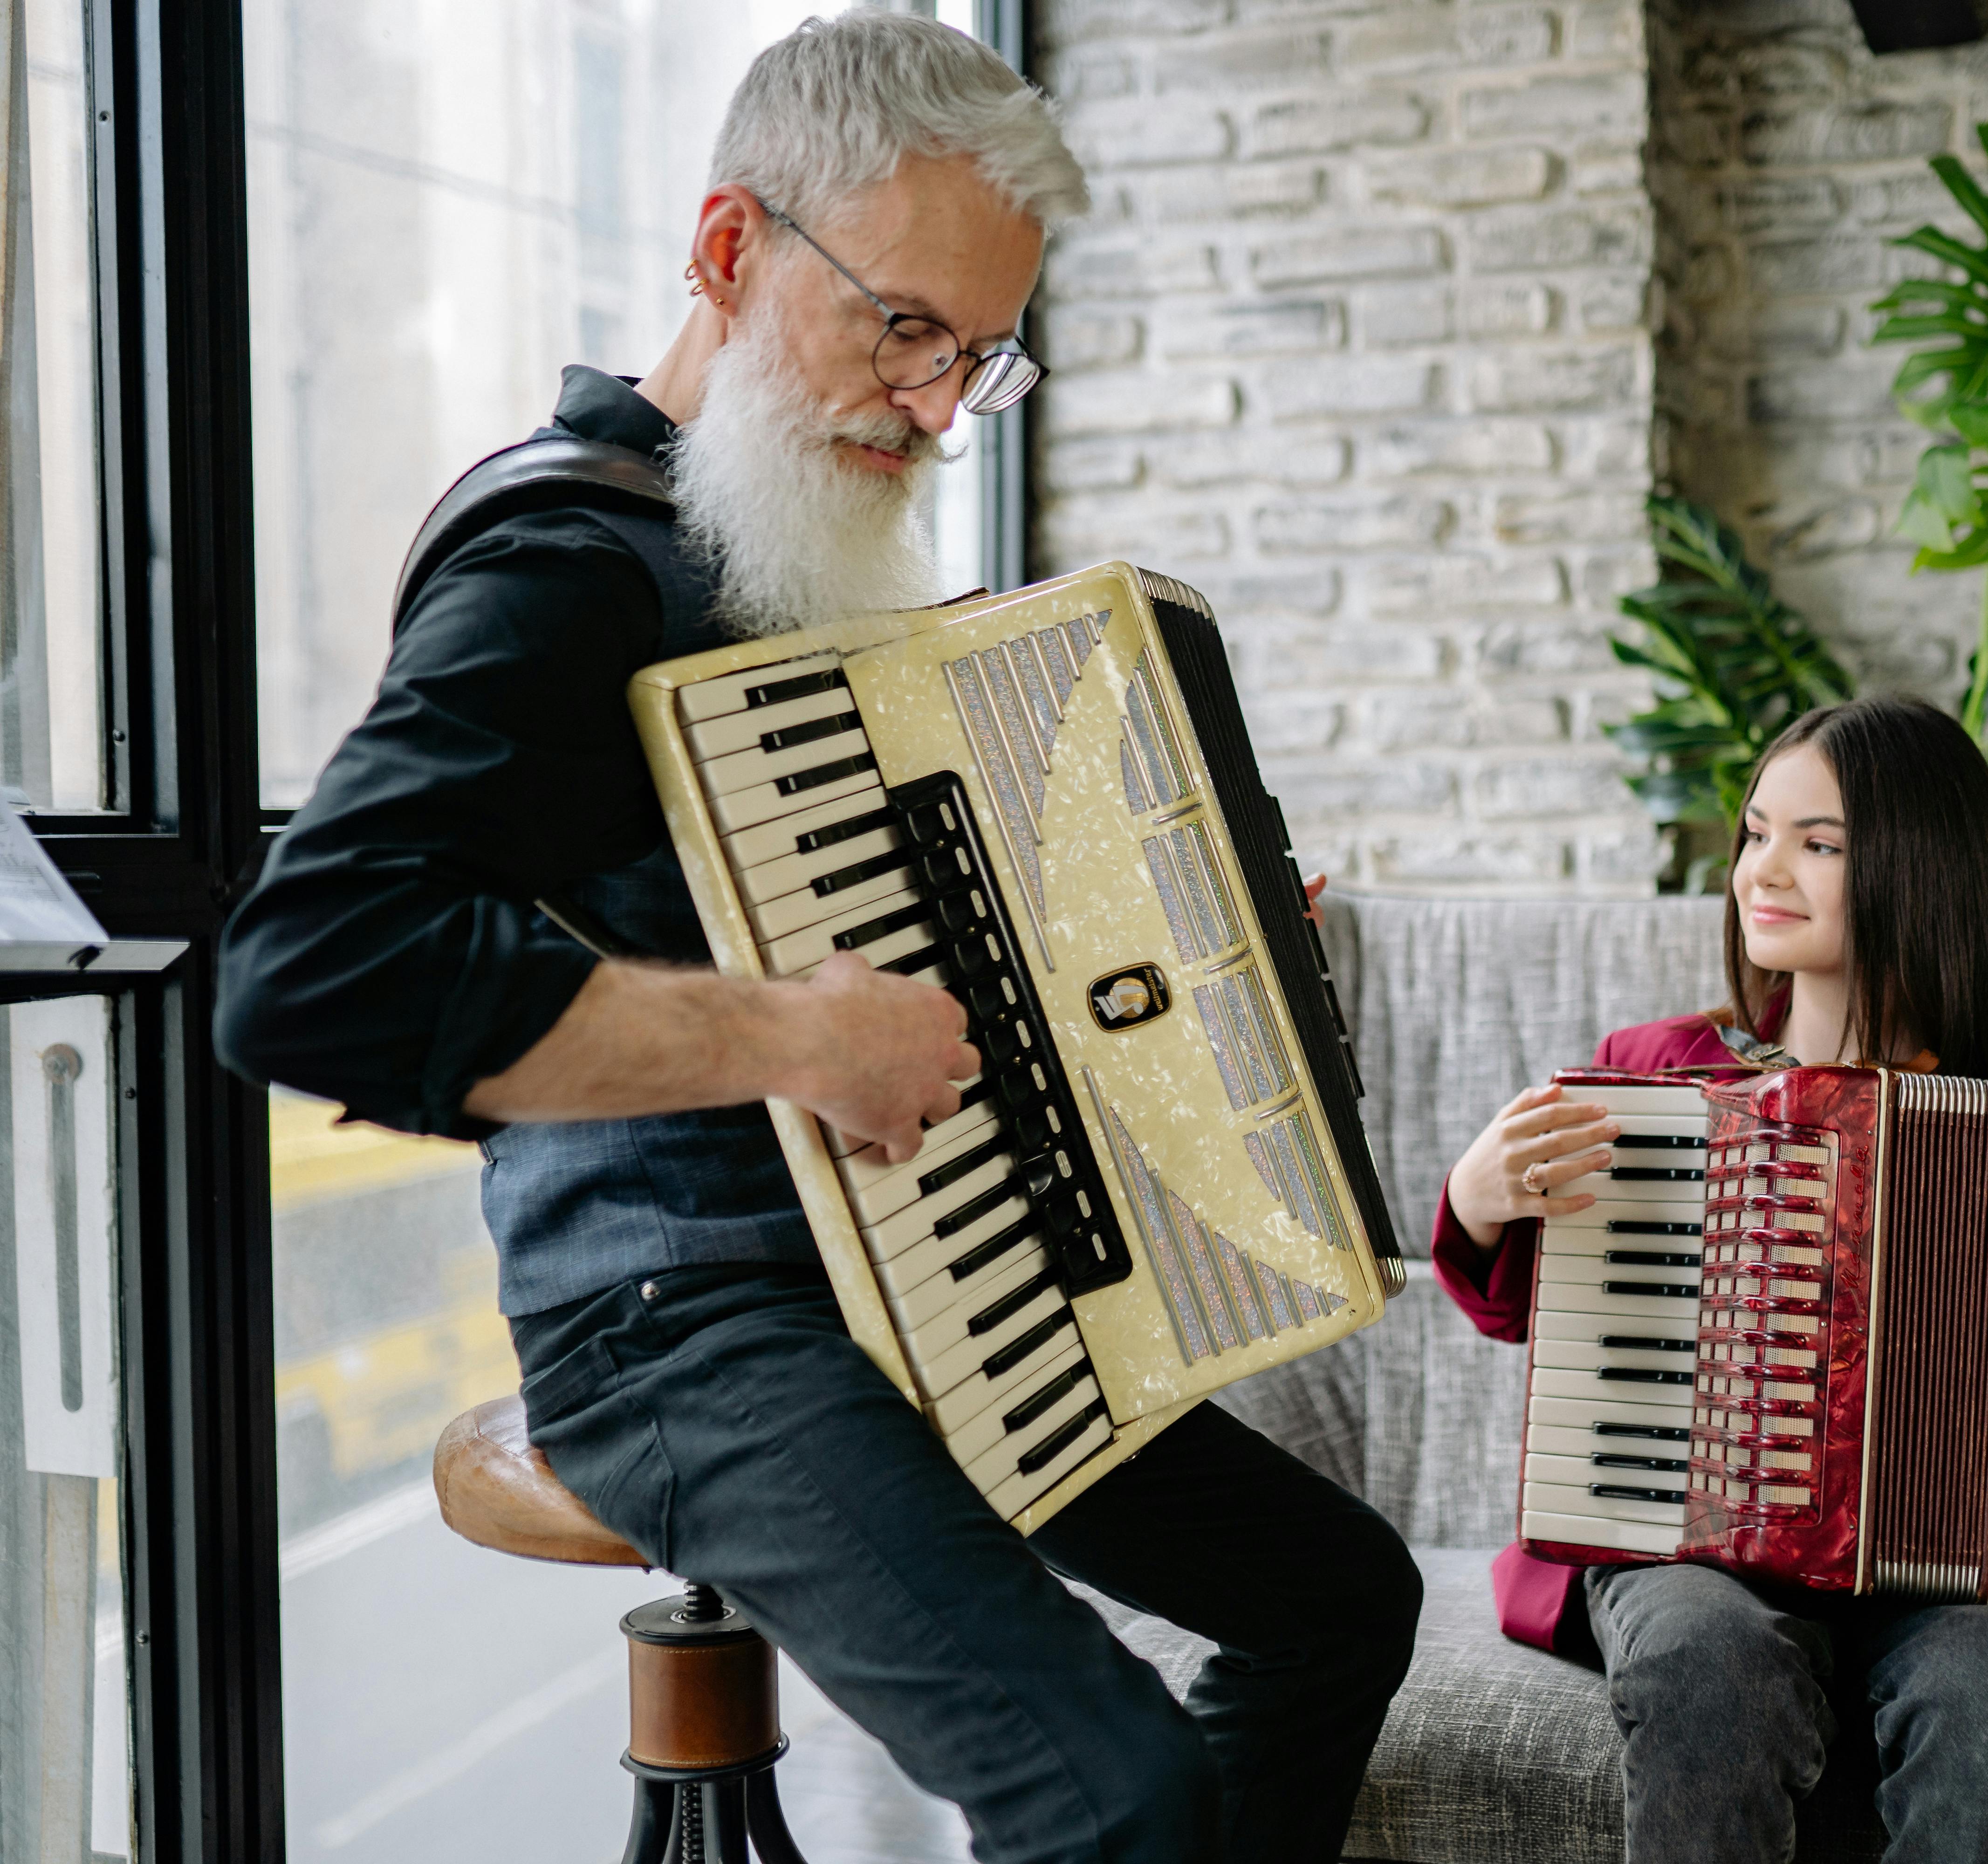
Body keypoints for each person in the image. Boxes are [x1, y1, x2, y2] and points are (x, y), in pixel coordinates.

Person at [214, 16, 1417, 1863]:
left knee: (1341, 1595)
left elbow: (881, 929)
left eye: (979, 355)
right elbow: (316, 966)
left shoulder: (776, 554)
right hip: (683, 1321)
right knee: (1126, 1798)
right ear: (726, 251)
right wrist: (795, 1038)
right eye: (903, 326)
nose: (939, 402)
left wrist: (1181, 959)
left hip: (928, 1277)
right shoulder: (566, 565)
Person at [1431, 696, 1988, 1864]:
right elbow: (1524, 1306)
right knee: (1707, 1665)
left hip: (1957, 1578)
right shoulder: (1662, 1077)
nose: (1762, 870)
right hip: (1689, 1544)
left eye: (1818, 841)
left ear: (1918, 868)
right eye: (1754, 832)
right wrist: (1482, 1198)